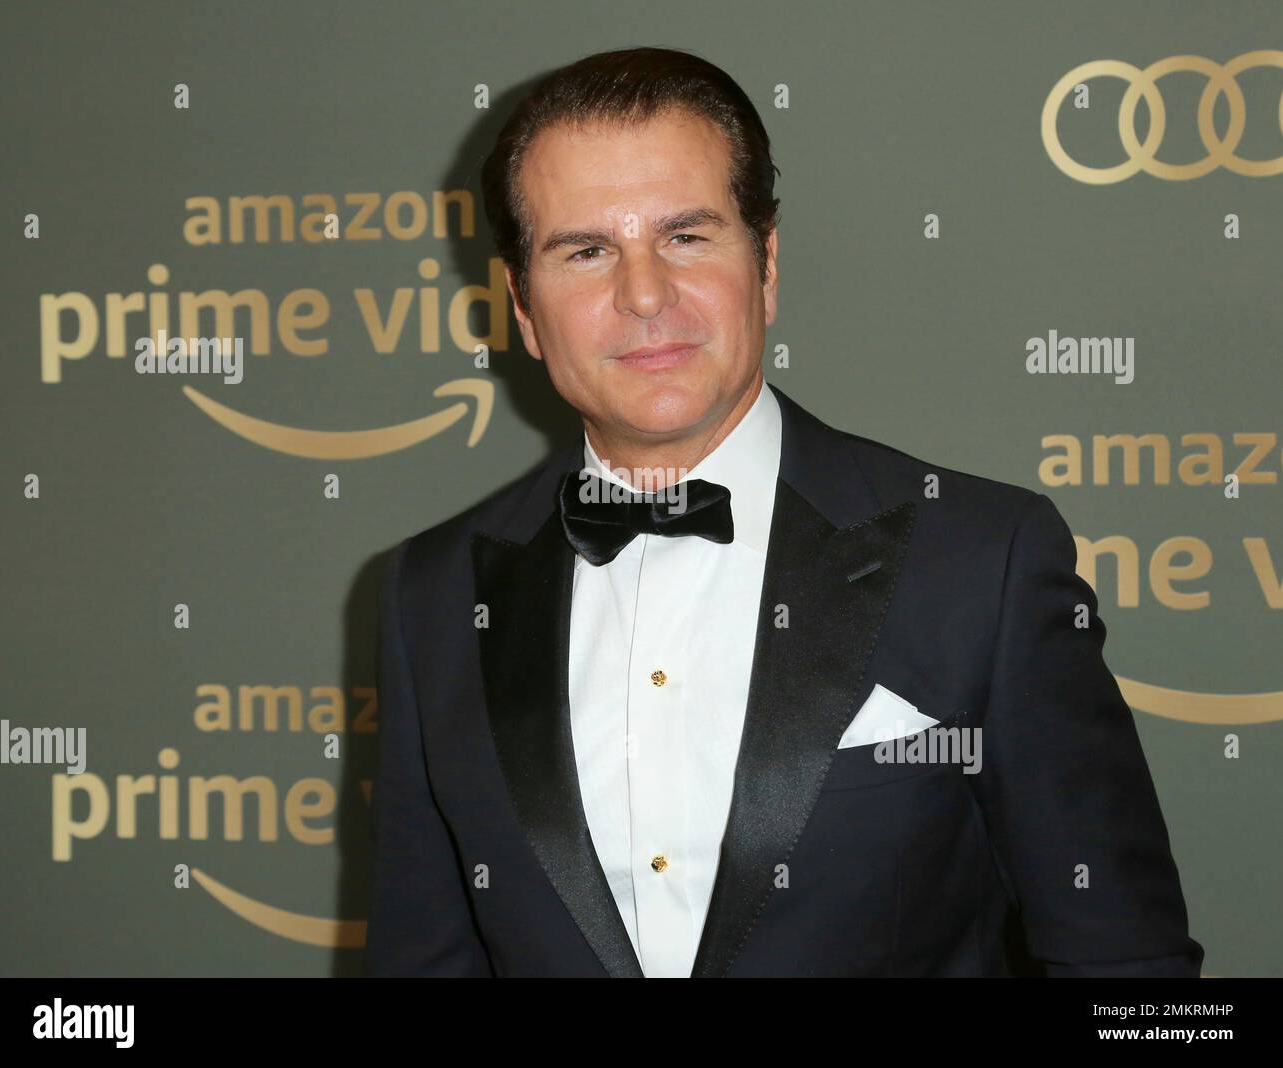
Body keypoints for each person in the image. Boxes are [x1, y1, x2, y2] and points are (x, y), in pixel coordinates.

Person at [364, 46, 1203, 977]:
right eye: (586, 250)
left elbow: (1131, 975)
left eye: (686, 236)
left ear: (765, 262)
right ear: (523, 307)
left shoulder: (981, 560)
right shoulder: (430, 596)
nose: (643, 295)